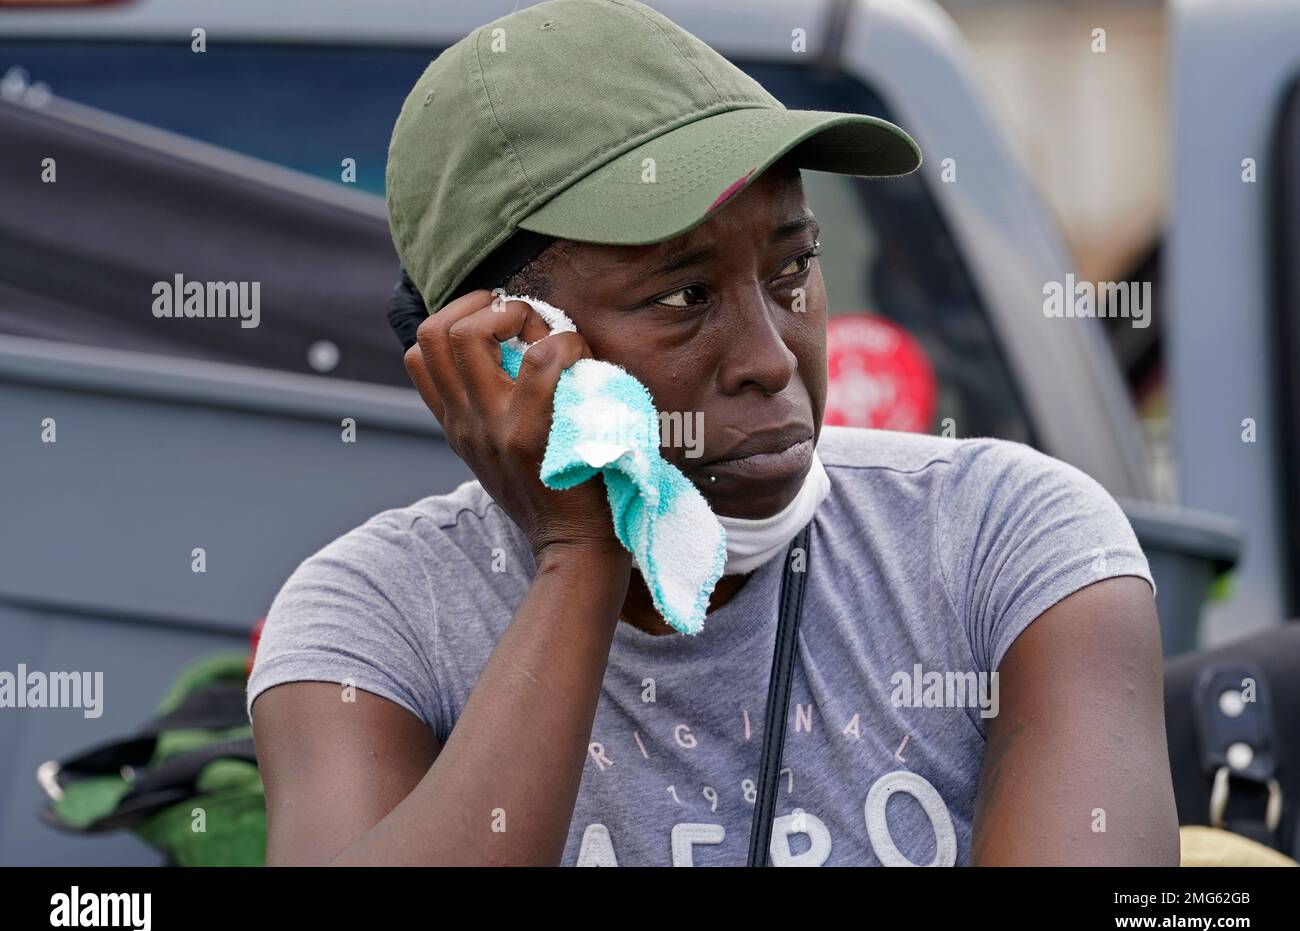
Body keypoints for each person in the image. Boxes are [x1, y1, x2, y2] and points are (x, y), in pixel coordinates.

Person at [246, 0, 1179, 866]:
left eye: (792, 269)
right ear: (501, 349)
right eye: (684, 297)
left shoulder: (1003, 538)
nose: (772, 359)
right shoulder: (374, 615)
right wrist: (580, 551)